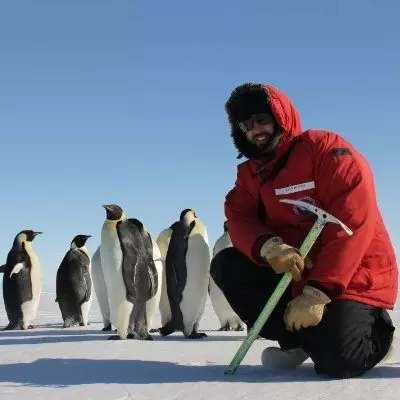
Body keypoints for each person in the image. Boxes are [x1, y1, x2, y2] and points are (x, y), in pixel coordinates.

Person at [210, 82, 398, 379]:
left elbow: (354, 221)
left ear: (280, 117)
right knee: (227, 264)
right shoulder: (251, 174)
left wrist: (319, 291)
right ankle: (297, 339)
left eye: (262, 120)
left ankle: (378, 338)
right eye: (246, 124)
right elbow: (238, 215)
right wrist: (268, 246)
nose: (255, 129)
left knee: (339, 362)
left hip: (352, 276)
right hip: (299, 274)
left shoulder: (325, 149)